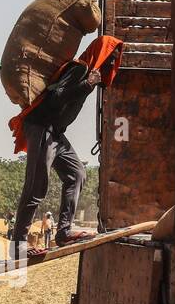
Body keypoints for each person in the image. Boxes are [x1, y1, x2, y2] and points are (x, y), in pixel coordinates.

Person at [8, 35, 123, 257]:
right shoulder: (79, 69)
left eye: (116, 59)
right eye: (110, 57)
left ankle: (63, 232)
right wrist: (87, 84)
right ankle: (18, 245)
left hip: (56, 133)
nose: (112, 63)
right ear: (100, 54)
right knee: (36, 187)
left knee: (77, 173)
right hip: (42, 127)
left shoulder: (87, 75)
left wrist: (90, 85)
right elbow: (56, 97)